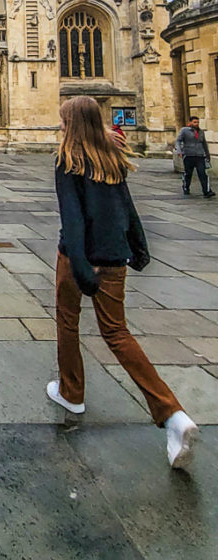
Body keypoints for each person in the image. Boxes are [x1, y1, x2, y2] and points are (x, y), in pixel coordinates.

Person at [48, 95, 199, 469]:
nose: (60, 126)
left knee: (68, 322)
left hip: (78, 259)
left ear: (73, 124)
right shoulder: (111, 157)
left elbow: (73, 220)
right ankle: (173, 414)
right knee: (117, 333)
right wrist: (139, 248)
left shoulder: (68, 159)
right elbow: (126, 208)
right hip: (115, 258)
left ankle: (72, 393)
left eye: (64, 120)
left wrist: (80, 266)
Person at [176, 116, 214, 198]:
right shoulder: (184, 130)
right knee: (188, 174)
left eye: (197, 122)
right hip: (188, 155)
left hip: (200, 156)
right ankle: (186, 187)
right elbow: (178, 140)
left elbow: (204, 143)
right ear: (190, 123)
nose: (196, 124)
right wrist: (179, 151)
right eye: (194, 122)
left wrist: (207, 155)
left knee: (202, 174)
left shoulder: (201, 132)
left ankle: (206, 191)